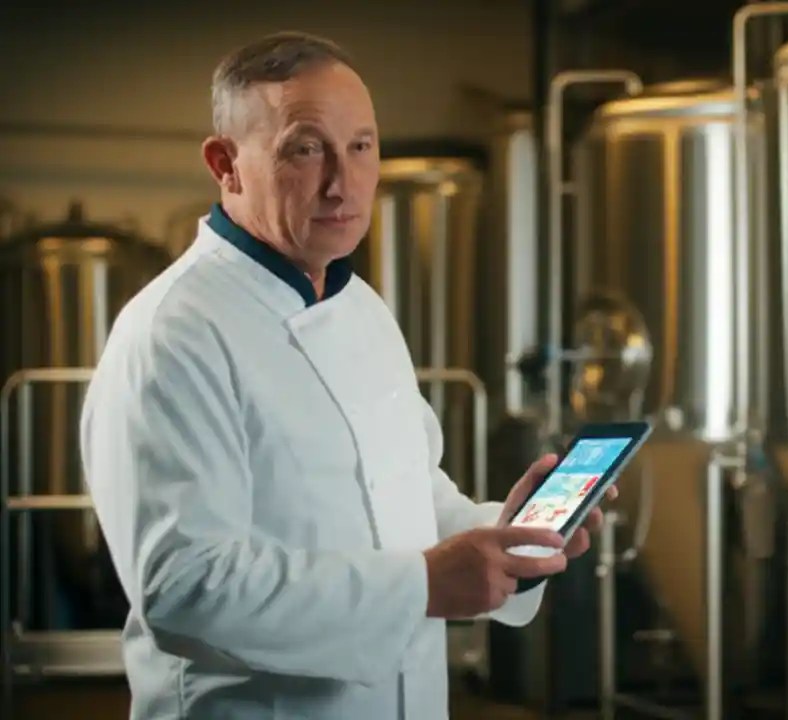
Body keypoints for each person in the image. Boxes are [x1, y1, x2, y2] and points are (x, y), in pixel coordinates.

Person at [79, 31, 608, 719]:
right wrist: (421, 586)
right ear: (225, 164)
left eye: (361, 146)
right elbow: (185, 586)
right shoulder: (174, 333)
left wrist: (506, 536)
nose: (343, 182)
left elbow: (406, 494)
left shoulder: (361, 308)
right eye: (306, 149)